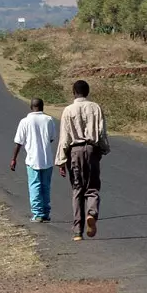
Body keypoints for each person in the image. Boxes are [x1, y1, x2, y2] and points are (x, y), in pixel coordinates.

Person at [55, 80, 111, 241]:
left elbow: (64, 138)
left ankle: (77, 231)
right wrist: (103, 149)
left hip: (75, 151)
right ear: (87, 92)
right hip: (92, 150)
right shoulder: (95, 108)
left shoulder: (68, 110)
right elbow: (101, 132)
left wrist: (61, 160)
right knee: (92, 187)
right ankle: (91, 213)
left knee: (77, 189)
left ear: (74, 92)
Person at [10, 98, 56, 223]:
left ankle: (38, 213)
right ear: (42, 107)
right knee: (45, 186)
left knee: (35, 185)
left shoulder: (25, 122)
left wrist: (14, 159)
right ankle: (46, 213)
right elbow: (51, 138)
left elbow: (18, 142)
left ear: (31, 107)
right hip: (47, 159)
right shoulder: (49, 120)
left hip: (32, 159)